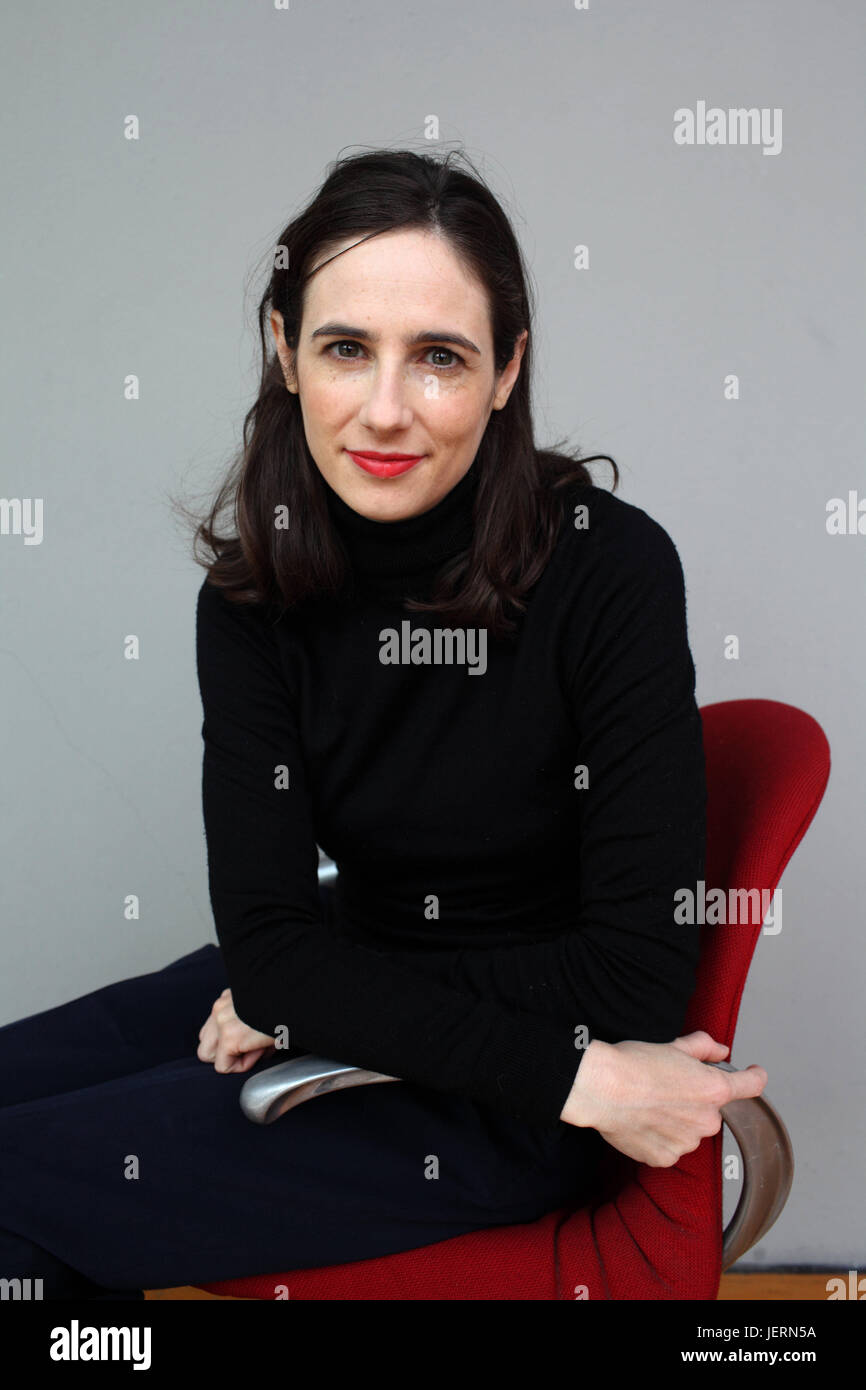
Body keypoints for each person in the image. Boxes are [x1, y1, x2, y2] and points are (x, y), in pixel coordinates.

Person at [0, 148, 767, 1301]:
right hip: (394, 994)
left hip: (506, 1093)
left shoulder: (608, 571)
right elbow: (265, 952)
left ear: (507, 370)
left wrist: (325, 994)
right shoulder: (253, 599)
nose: (386, 409)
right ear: (283, 348)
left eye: (441, 358)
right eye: (346, 348)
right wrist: (297, 985)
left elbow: (630, 982)